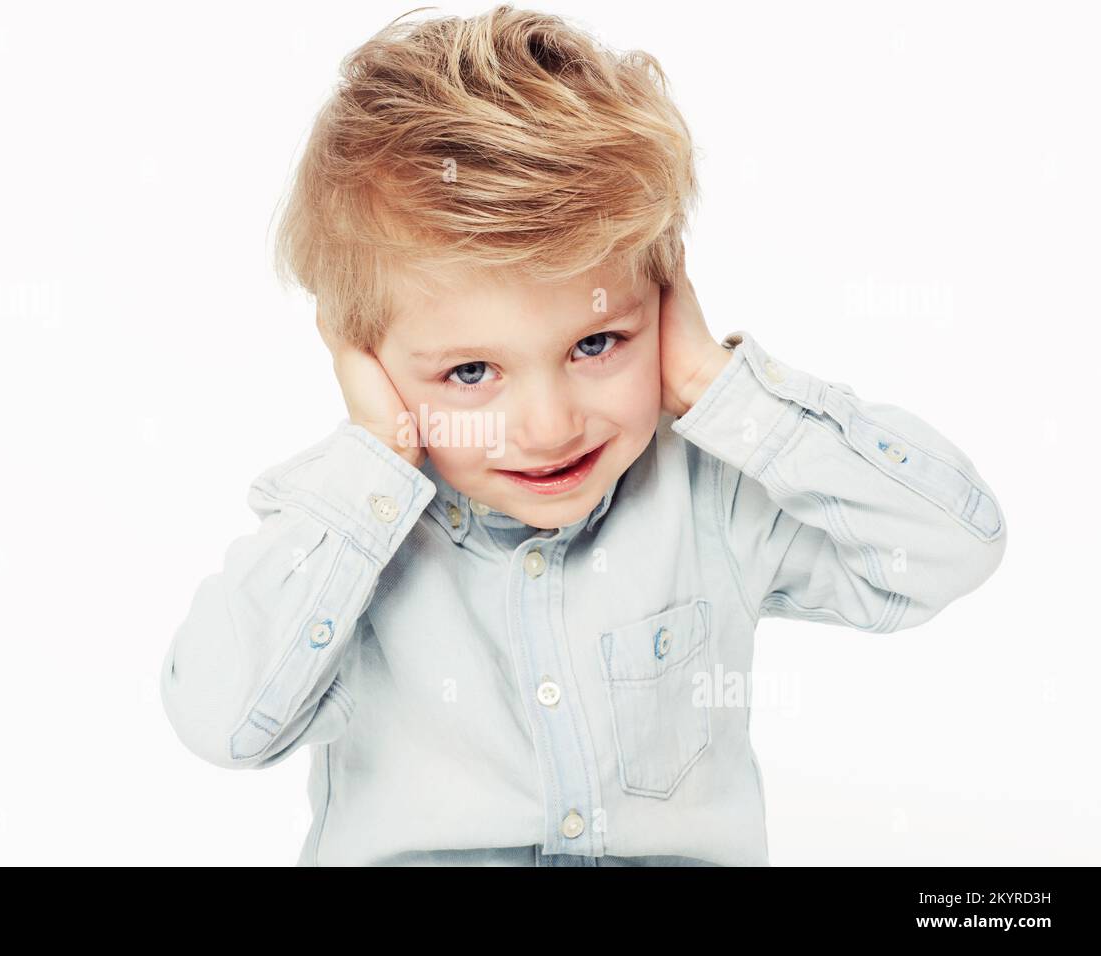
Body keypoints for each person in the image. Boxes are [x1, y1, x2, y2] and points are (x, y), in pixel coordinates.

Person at [159, 5, 1006, 866]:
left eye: (596, 343)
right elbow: (221, 723)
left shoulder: (707, 494)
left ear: (666, 307)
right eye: (470, 373)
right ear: (364, 357)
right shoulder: (344, 539)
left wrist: (713, 383)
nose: (550, 426)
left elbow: (951, 545)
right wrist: (377, 455)